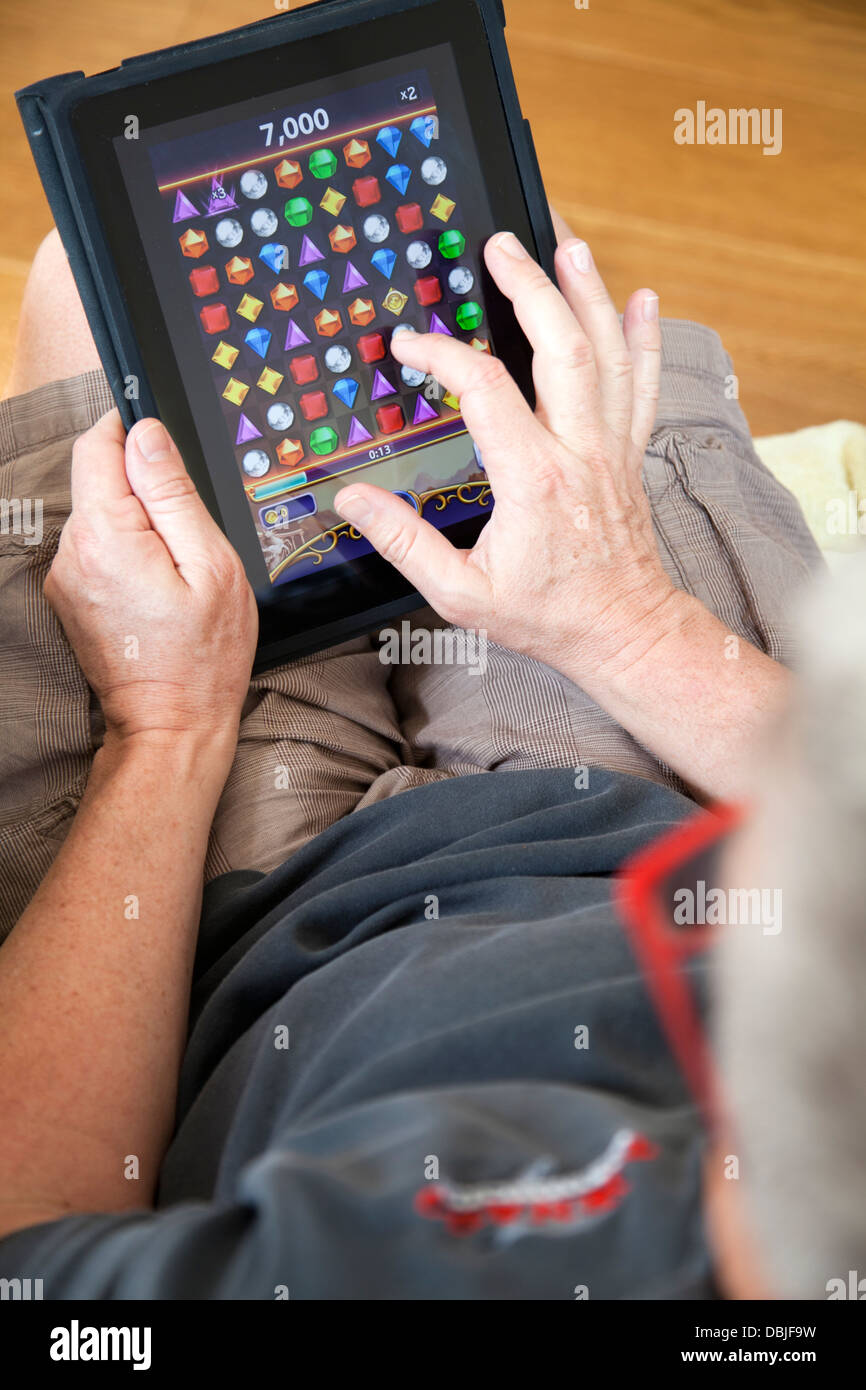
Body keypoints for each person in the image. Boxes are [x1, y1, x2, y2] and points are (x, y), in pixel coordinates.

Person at [0, 219, 828, 1298]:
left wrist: (160, 730)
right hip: (667, 801)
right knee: (491, 285)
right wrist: (625, 619)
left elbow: (30, 1233)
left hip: (222, 910)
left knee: (94, 269)